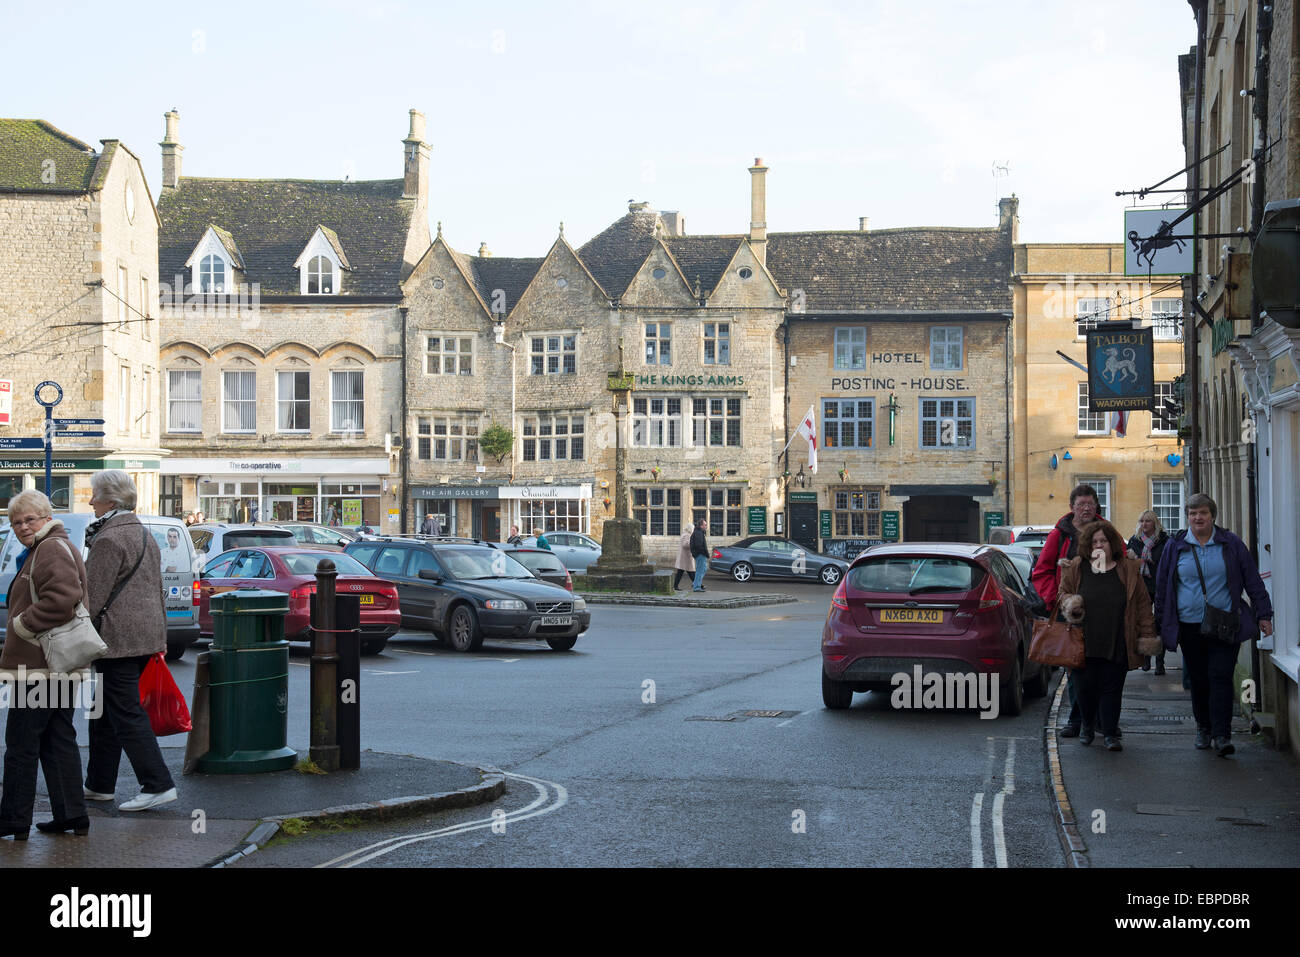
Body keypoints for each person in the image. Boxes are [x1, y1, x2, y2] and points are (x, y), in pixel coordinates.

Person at [83, 470, 178, 811]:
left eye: (95, 495)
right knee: (104, 712)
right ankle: (99, 784)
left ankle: (158, 783)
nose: (91, 501)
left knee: (125, 713)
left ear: (110, 500)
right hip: (145, 635)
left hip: (117, 639)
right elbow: (156, 589)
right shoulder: (142, 533)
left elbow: (92, 597)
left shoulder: (108, 539)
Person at [0, 490, 91, 840]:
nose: (23, 526)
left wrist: (22, 624)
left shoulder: (50, 547)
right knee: (57, 740)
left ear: (46, 516)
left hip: (41, 666)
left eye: (29, 519)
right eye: (16, 522)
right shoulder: (50, 545)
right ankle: (72, 815)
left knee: (22, 743)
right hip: (57, 666)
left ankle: (13, 819)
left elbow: (63, 599)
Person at [1154, 493, 1272, 757]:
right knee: (1199, 679)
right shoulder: (1176, 546)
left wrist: (1263, 614)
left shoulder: (1230, 544)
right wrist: (1161, 622)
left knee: (1220, 676)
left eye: (1203, 513)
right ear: (1188, 517)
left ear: (1213, 516)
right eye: (1193, 513)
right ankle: (1203, 728)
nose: (1198, 518)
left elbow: (1252, 579)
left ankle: (1221, 734)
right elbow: (1163, 587)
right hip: (1189, 624)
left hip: (1224, 623)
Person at [1057, 520, 1156, 751]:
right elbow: (1062, 594)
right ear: (1087, 545)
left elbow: (1142, 603)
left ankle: (1111, 733)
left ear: (1112, 544)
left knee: (1112, 689)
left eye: (1103, 541)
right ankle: (1088, 726)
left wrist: (1148, 634)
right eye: (1094, 541)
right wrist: (1071, 603)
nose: (1099, 545)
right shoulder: (1076, 567)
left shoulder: (1127, 569)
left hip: (1117, 639)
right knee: (1085, 689)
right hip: (1083, 641)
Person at [1029, 483, 1101, 737]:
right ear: (1072, 507)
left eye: (1090, 504)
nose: (1085, 508)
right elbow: (1041, 572)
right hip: (1069, 611)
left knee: (1099, 667)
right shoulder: (1060, 535)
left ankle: (1097, 719)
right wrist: (1056, 600)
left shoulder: (1106, 533)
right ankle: (1078, 720)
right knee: (1074, 667)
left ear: (1096, 506)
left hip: (1102, 612)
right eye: (1080, 504)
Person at [1127, 509, 1169, 674]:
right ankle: (1146, 658)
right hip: (1141, 586)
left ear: (1155, 523)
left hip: (1159, 586)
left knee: (1160, 623)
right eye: (1142, 521)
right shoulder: (1134, 541)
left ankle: (1160, 661)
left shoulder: (1164, 541)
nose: (1144, 524)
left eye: (1148, 521)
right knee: (1143, 623)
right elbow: (1129, 564)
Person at [690, 519, 710, 592]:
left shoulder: (699, 532)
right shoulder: (698, 533)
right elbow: (699, 546)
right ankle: (697, 587)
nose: (706, 526)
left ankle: (696, 583)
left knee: (703, 569)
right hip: (700, 554)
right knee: (700, 571)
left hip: (700, 554)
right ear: (701, 525)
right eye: (705, 525)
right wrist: (705, 553)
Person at [673, 527, 694, 591]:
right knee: (690, 572)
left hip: (684, 557)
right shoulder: (687, 535)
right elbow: (685, 545)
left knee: (685, 572)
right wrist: (693, 543)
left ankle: (675, 586)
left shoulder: (684, 534)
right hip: (685, 557)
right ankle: (698, 584)